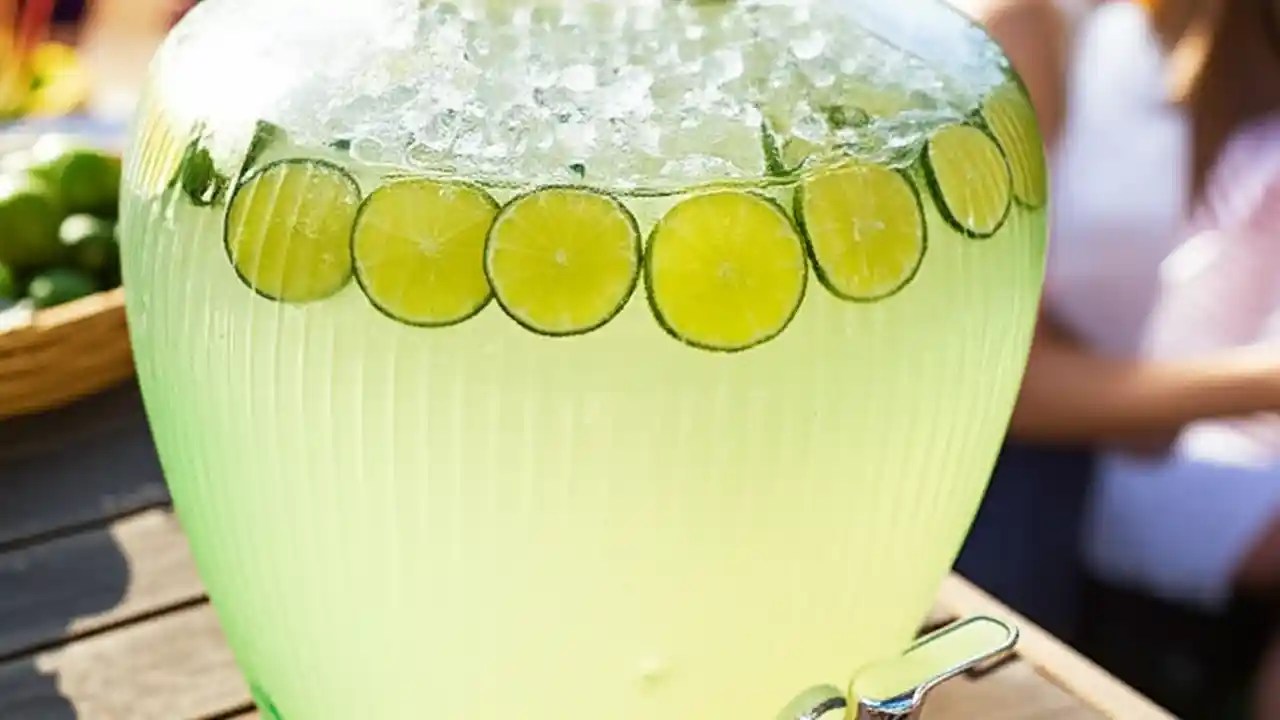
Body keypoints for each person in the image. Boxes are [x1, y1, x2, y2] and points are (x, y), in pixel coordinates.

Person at [964, 0, 1280, 716]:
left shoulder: (1236, 52)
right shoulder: (1027, 29)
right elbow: (1004, 380)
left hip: (1154, 436)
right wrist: (1261, 383)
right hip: (1026, 464)